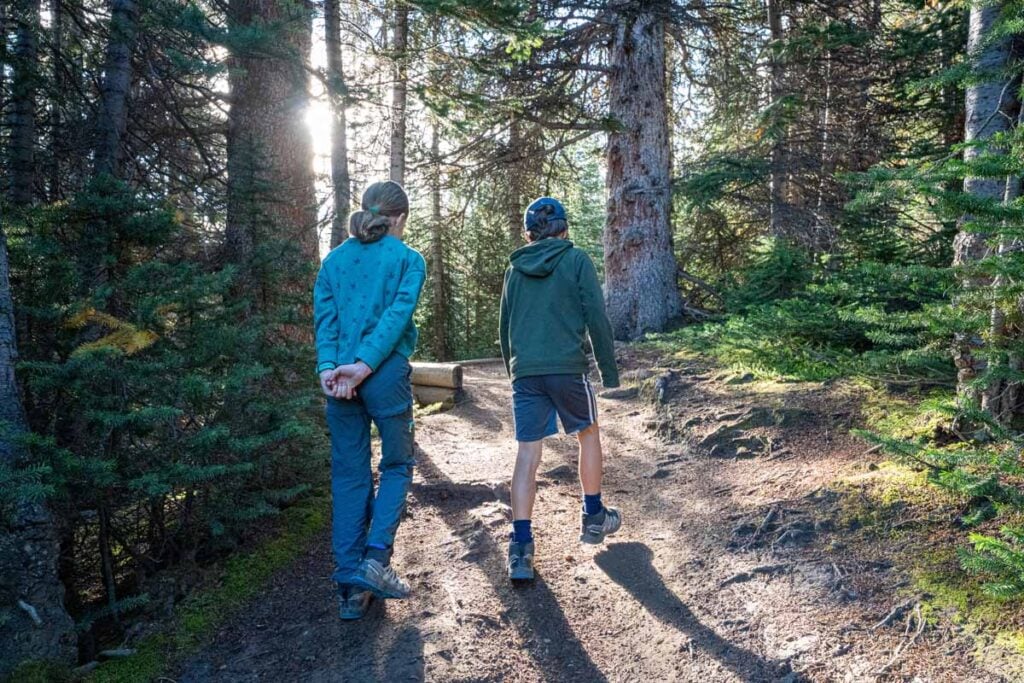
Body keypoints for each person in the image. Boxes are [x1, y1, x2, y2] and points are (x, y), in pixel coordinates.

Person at [313, 181, 426, 619]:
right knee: (397, 465)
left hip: (339, 382)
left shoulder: (333, 261)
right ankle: (375, 562)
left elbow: (327, 322)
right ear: (399, 218)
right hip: (382, 375)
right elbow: (397, 318)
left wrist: (331, 369)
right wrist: (365, 365)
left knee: (348, 476)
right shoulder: (409, 260)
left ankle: (349, 589)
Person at [498, 196, 622, 582]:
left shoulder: (515, 270)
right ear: (564, 228)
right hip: (567, 368)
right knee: (588, 434)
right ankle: (594, 515)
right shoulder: (576, 260)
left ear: (529, 233)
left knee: (527, 454)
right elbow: (597, 318)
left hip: (527, 374)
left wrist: (514, 371)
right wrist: (608, 371)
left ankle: (520, 549)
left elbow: (505, 328)